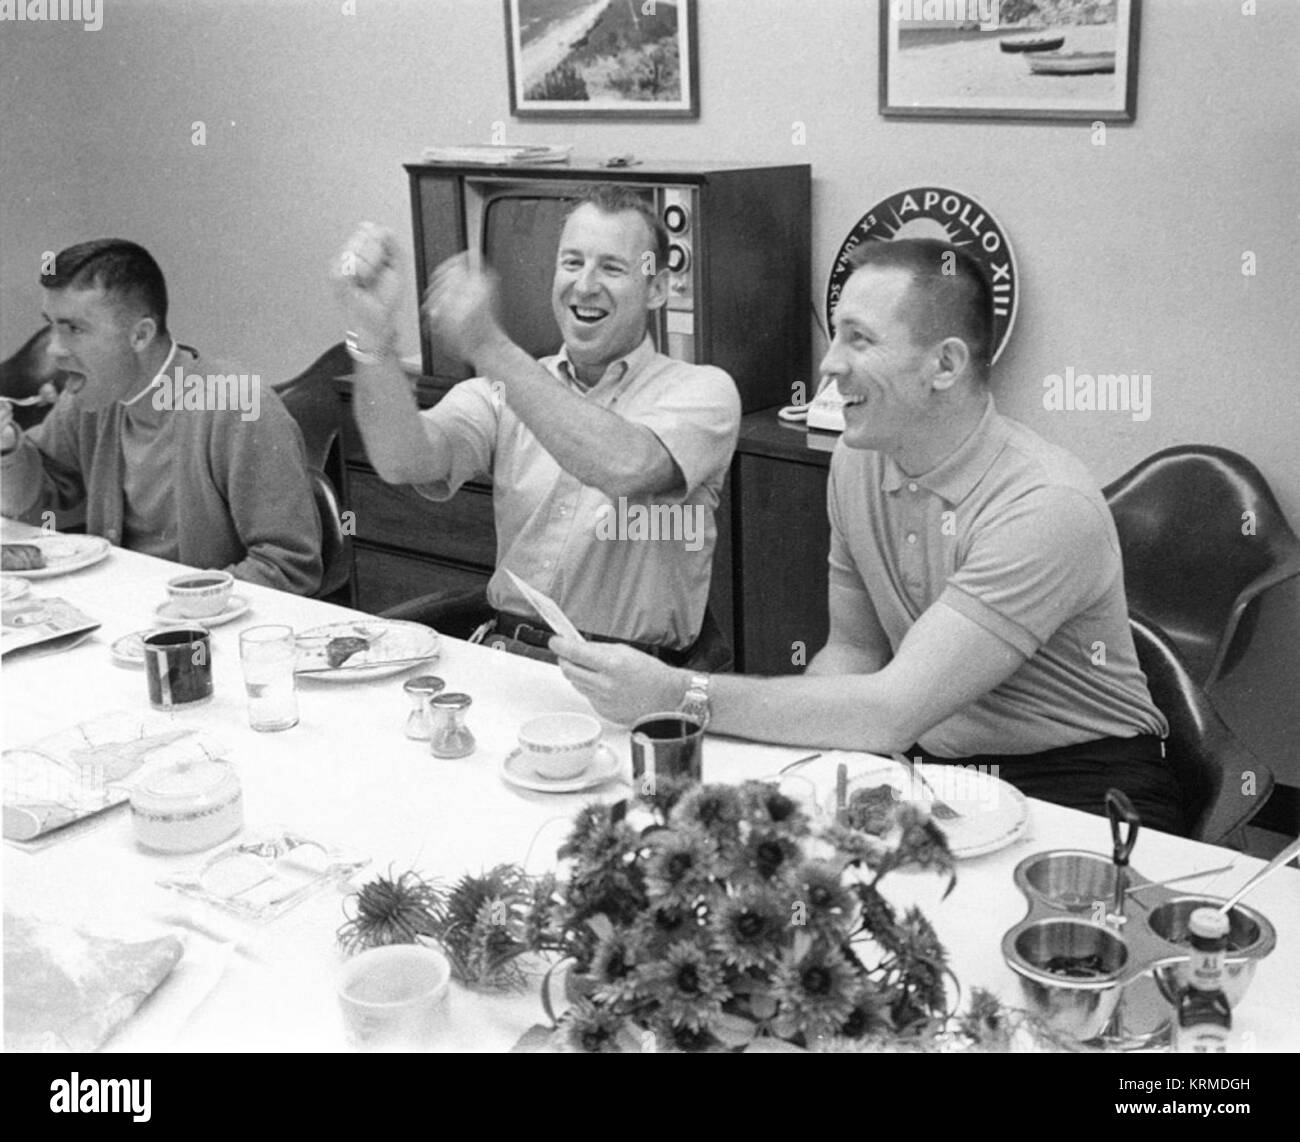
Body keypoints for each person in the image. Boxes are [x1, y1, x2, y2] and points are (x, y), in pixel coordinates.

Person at [553, 237, 1183, 833]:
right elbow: (853, 655)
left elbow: (889, 711)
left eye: (859, 340)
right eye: (836, 336)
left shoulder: (1046, 507)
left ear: (944, 364)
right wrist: (785, 774)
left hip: (1087, 782)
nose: (829, 364)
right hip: (934, 769)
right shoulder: (861, 457)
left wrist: (679, 695)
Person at [333, 184, 741, 666]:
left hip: (634, 677)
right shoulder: (506, 389)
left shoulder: (704, 391)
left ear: (656, 288)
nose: (585, 285)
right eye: (572, 263)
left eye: (611, 268)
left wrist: (487, 345)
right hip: (510, 660)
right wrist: (371, 336)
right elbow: (404, 461)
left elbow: (626, 465)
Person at [0, 239, 322, 595]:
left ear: (140, 335)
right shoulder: (92, 398)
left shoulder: (239, 404)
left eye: (74, 328)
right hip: (129, 614)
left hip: (206, 631)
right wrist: (8, 447)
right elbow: (33, 504)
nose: (55, 349)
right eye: (52, 325)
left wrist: (165, 605)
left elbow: (289, 569)